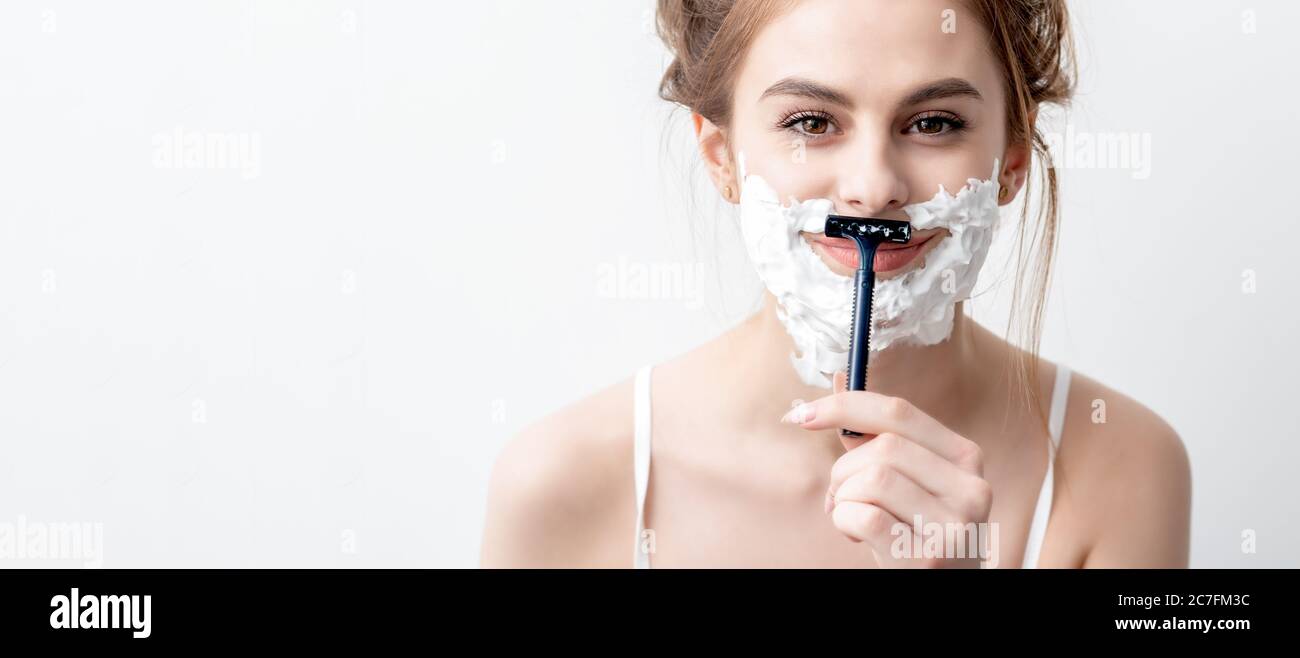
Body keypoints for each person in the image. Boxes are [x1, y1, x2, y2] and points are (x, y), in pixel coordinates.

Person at [481, 0, 1191, 568]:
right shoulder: (562, 485)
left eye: (934, 122)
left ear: (1010, 159)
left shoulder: (1123, 470)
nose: (873, 187)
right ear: (721, 156)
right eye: (812, 122)